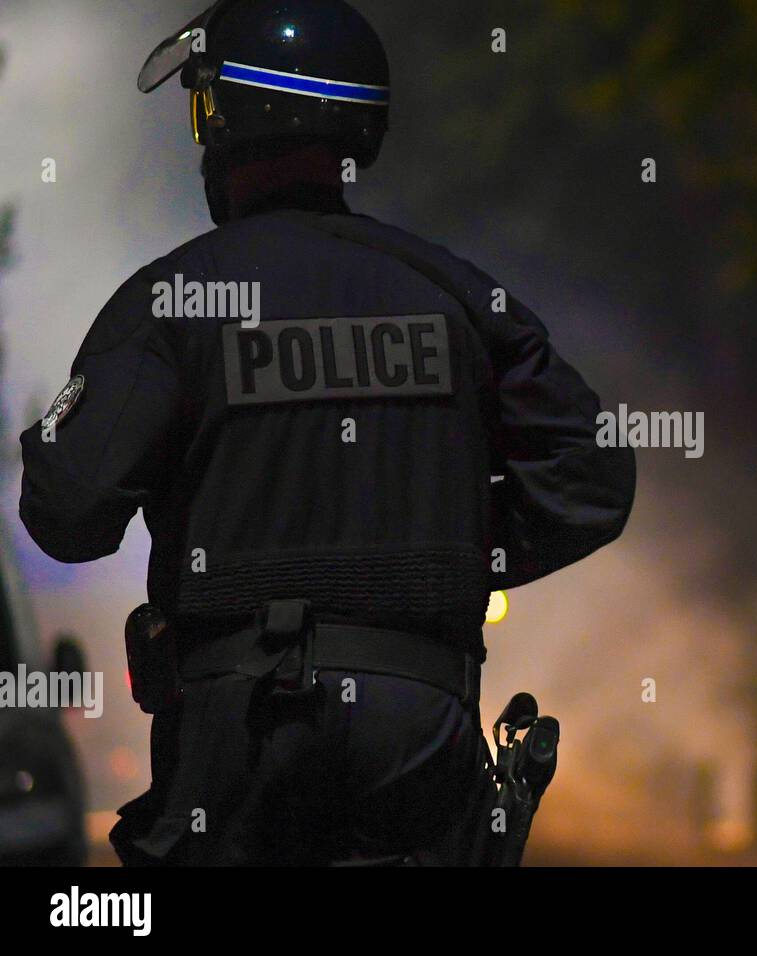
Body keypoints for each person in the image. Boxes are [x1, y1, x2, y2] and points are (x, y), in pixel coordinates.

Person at [19, 0, 635, 865]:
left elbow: (68, 517)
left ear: (231, 119)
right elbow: (591, 484)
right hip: (422, 718)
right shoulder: (456, 292)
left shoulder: (174, 301)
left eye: (205, 106)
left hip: (240, 730)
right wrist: (448, 559)